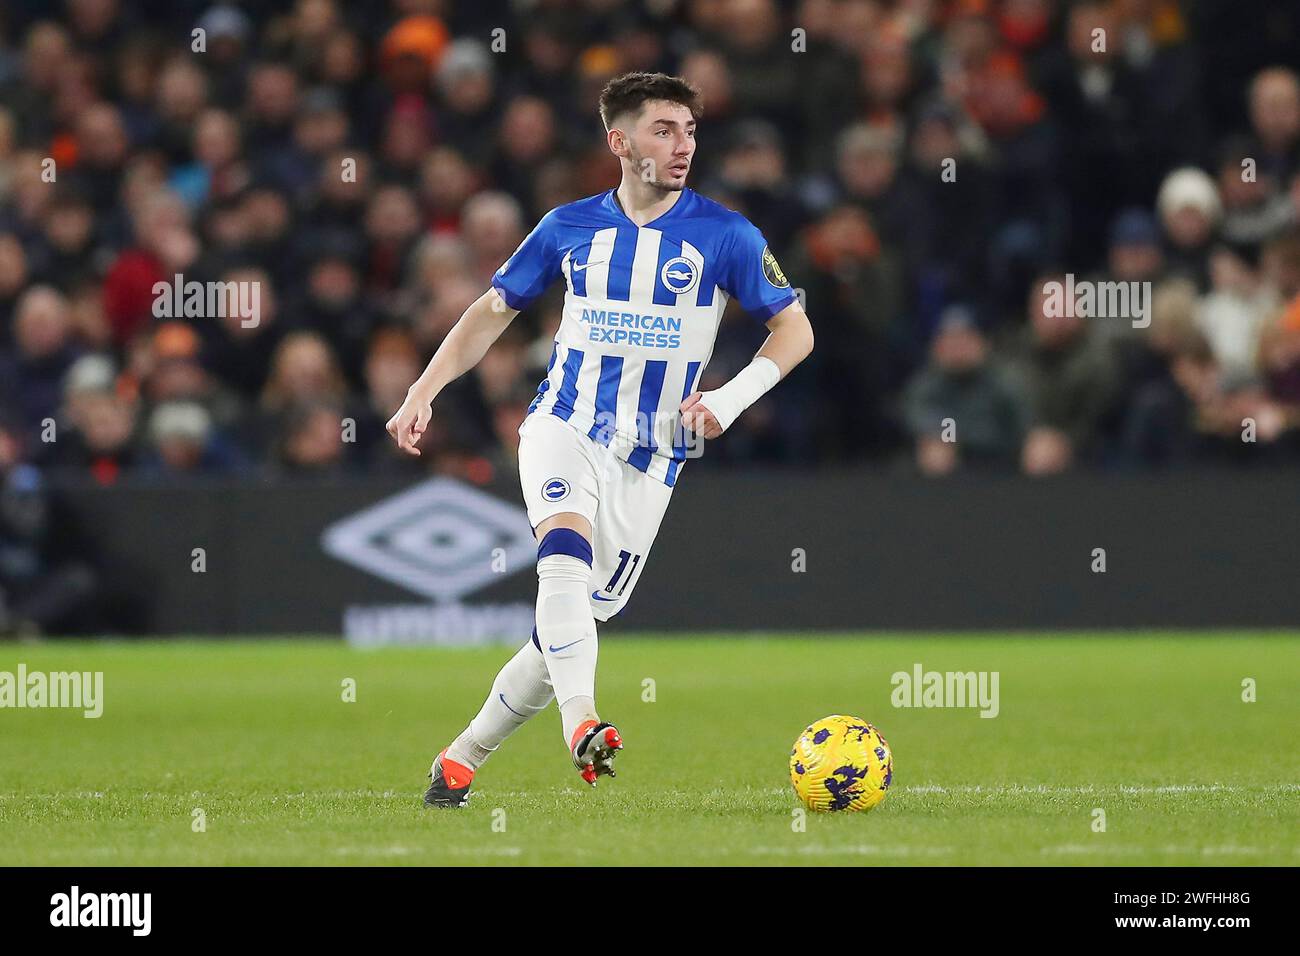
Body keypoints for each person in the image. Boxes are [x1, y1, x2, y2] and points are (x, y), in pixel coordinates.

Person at [384, 72, 814, 805]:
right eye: (664, 130)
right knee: (562, 561)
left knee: (573, 622)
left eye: (689, 131)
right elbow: (492, 312)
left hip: (653, 458)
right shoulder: (566, 228)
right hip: (565, 422)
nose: (684, 146)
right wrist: (424, 389)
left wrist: (732, 398)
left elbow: (795, 328)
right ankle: (581, 722)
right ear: (619, 141)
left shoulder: (726, 234)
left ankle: (461, 757)